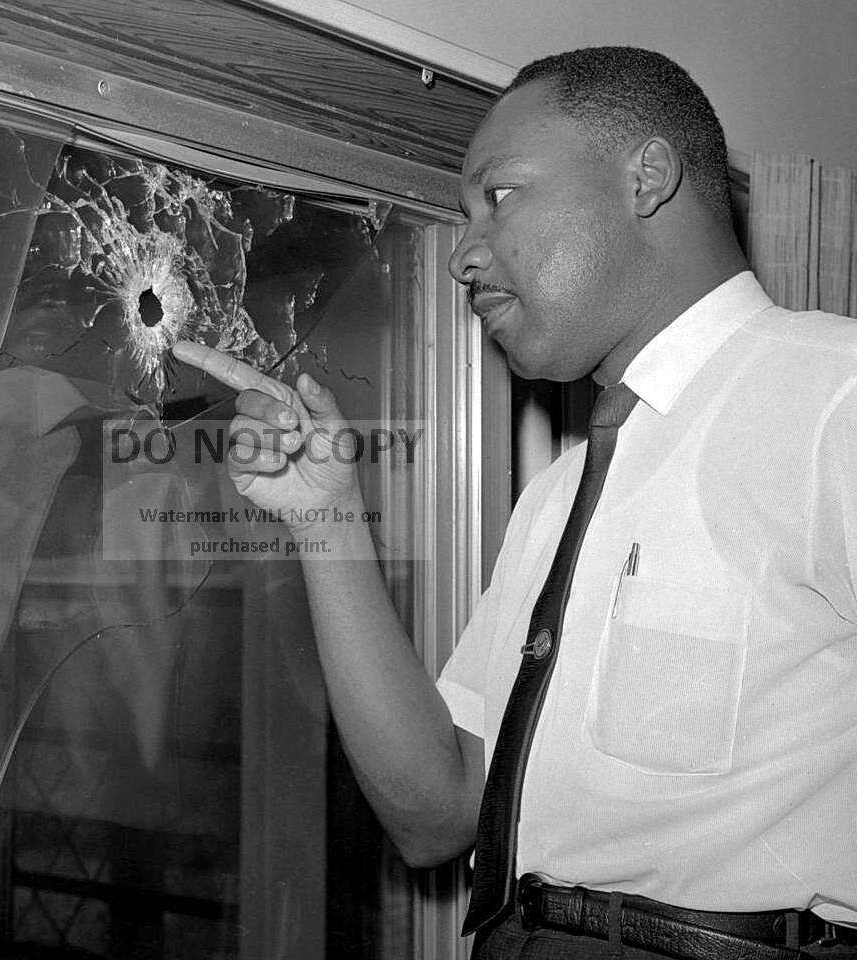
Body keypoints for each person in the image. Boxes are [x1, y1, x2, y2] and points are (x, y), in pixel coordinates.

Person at [173, 45, 857, 960]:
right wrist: (324, 515)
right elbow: (437, 811)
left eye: (499, 196)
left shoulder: (833, 399)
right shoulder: (555, 499)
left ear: (646, 176)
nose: (461, 253)